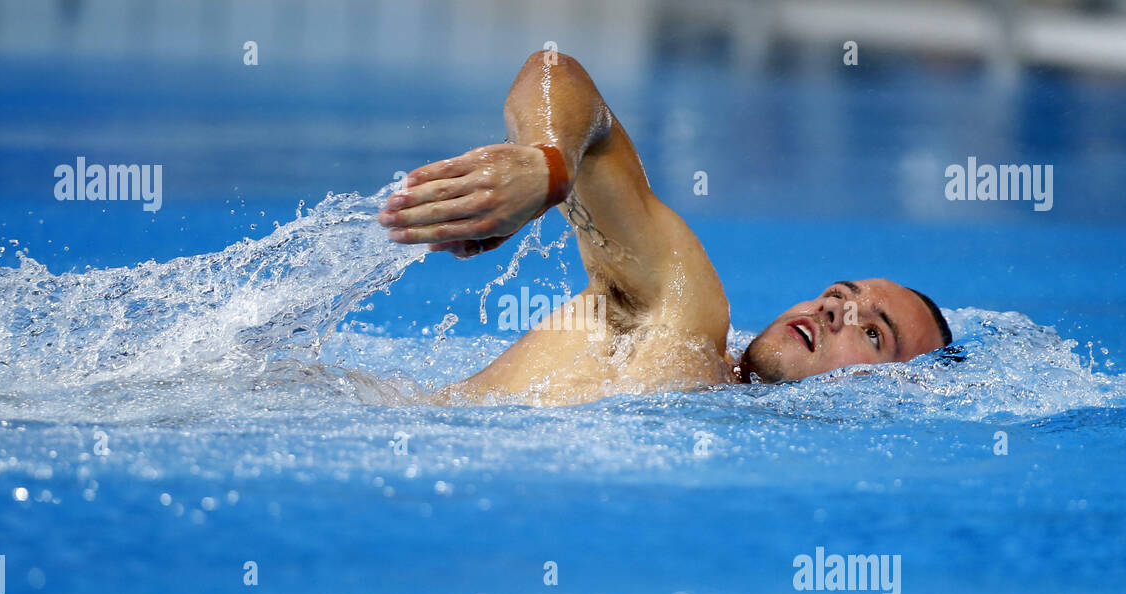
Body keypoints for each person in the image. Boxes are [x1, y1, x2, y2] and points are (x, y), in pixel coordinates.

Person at [378, 50, 952, 406]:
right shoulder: (681, 319)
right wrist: (549, 164)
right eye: (838, 295)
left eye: (873, 334)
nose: (834, 310)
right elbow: (557, 72)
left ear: (889, 396)